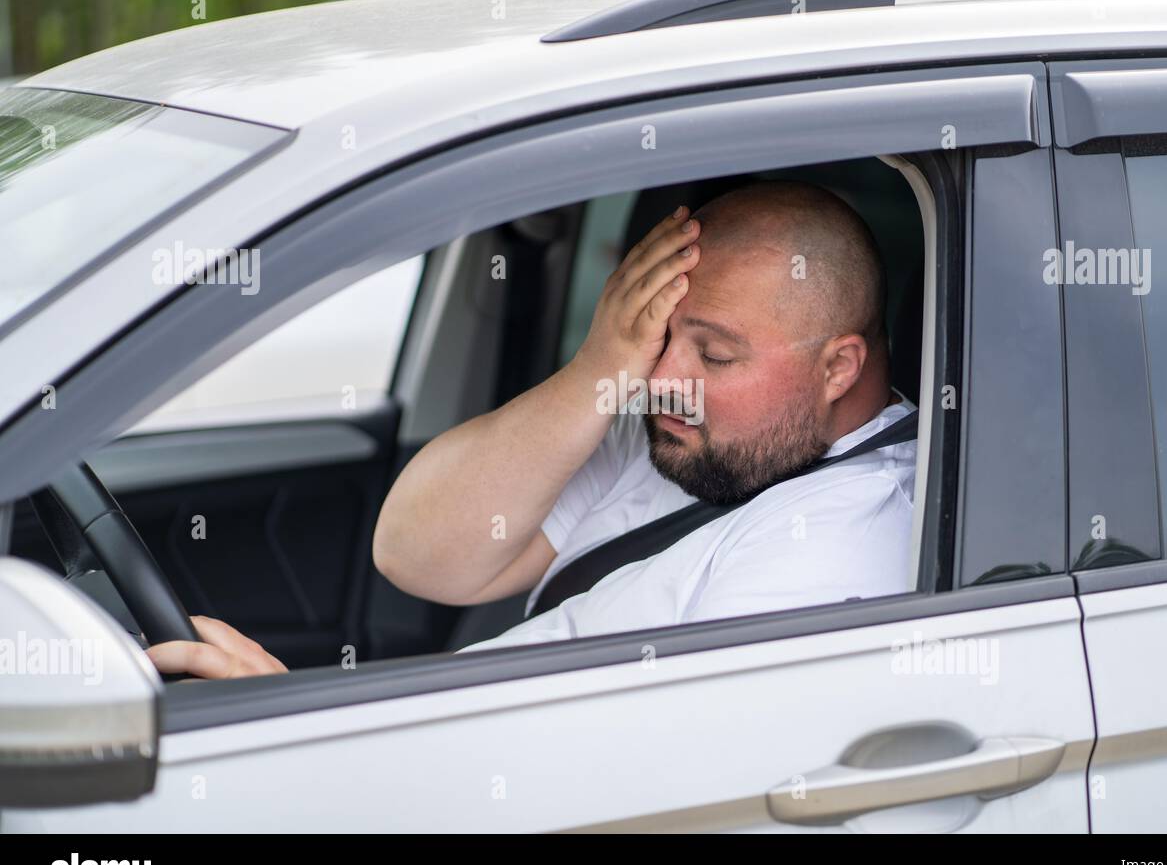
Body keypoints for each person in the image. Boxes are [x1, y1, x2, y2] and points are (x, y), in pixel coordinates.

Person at [145, 180, 916, 678]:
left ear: (839, 368)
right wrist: (599, 365)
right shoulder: (689, 438)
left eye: (714, 352)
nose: (661, 379)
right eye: (657, 334)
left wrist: (307, 747)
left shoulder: (844, 540)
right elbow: (420, 557)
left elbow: (638, 788)